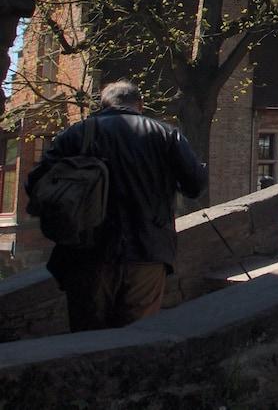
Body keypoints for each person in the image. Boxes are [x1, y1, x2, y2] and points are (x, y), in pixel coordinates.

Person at [25, 80, 207, 332]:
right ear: (140, 105)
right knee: (136, 340)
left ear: (103, 105)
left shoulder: (78, 134)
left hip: (87, 254)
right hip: (147, 252)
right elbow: (195, 185)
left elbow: (35, 184)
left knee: (86, 340)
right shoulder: (166, 134)